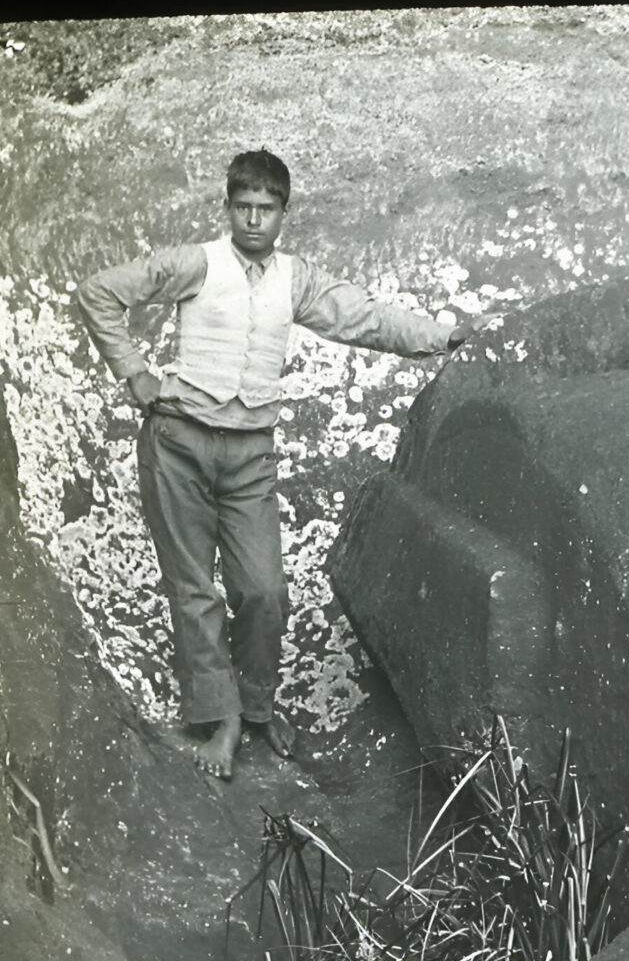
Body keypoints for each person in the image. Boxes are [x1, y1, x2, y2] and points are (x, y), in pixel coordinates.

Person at [76, 148, 488, 779]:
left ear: (283, 214)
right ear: (227, 208)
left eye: (265, 210)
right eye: (242, 208)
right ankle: (222, 719)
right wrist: (134, 373)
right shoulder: (197, 263)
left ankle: (260, 709)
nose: (252, 221)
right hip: (178, 443)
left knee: (264, 591)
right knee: (194, 591)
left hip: (248, 455)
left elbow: (365, 319)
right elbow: (99, 293)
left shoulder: (294, 278)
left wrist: (442, 337)